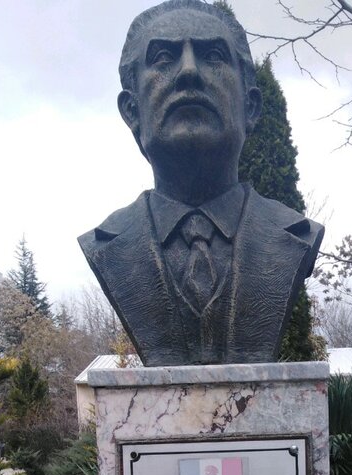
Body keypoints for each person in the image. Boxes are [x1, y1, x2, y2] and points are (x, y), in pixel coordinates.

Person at [79, 0, 324, 366]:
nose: (189, 72)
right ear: (132, 111)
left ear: (251, 107)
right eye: (163, 57)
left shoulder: (294, 238)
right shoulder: (108, 246)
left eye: (212, 56)